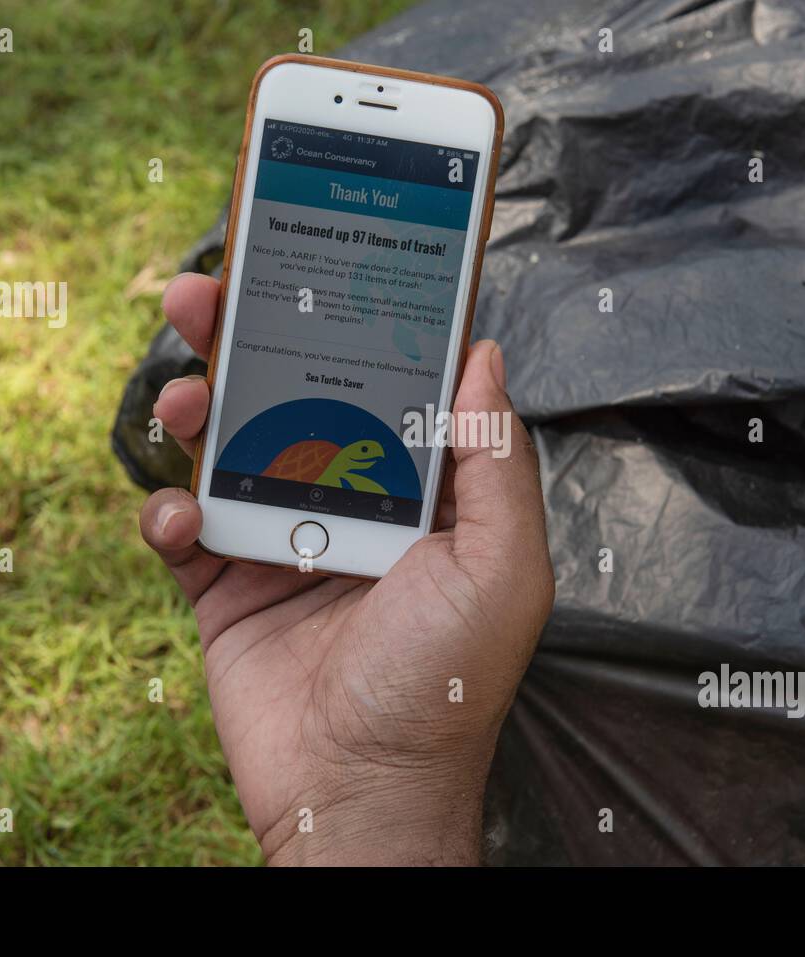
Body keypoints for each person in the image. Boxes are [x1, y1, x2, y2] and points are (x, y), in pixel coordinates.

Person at [138, 273, 556, 865]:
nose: (366, 458)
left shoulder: (355, 477)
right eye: (360, 458)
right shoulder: (327, 463)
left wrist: (373, 791)